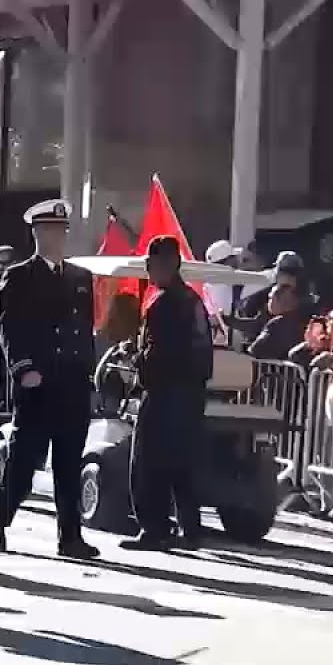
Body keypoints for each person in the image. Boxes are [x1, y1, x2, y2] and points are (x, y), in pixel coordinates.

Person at [0, 199, 99, 560]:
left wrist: (89, 376)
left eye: (62, 231)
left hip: (72, 386)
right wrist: (23, 369)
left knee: (68, 464)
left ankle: (70, 538)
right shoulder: (18, 277)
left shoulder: (80, 278)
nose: (57, 237)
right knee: (23, 464)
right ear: (35, 233)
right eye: (49, 230)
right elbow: (10, 329)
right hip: (37, 385)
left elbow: (85, 332)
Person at [122, 235, 214, 551]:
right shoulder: (194, 301)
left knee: (148, 463)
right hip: (192, 393)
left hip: (164, 391)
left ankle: (154, 528)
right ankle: (190, 529)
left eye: (151, 263)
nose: (147, 269)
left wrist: (135, 358)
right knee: (182, 463)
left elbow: (159, 354)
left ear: (166, 265)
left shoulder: (163, 304)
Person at [247, 284, 304, 361]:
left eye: (270, 298)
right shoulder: (303, 321)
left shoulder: (276, 324)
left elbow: (255, 350)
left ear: (282, 301)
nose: (268, 302)